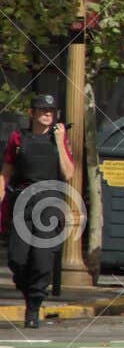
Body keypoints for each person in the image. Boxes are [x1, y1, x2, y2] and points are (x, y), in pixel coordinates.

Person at [0, 95, 78, 328]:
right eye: (43, 110)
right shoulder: (18, 138)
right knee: (17, 259)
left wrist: (61, 139)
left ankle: (33, 307)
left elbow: (69, 172)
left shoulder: (59, 140)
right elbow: (6, 170)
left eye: (51, 111)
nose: (47, 114)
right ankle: (29, 291)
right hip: (22, 200)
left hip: (49, 202)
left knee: (42, 261)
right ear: (32, 113)